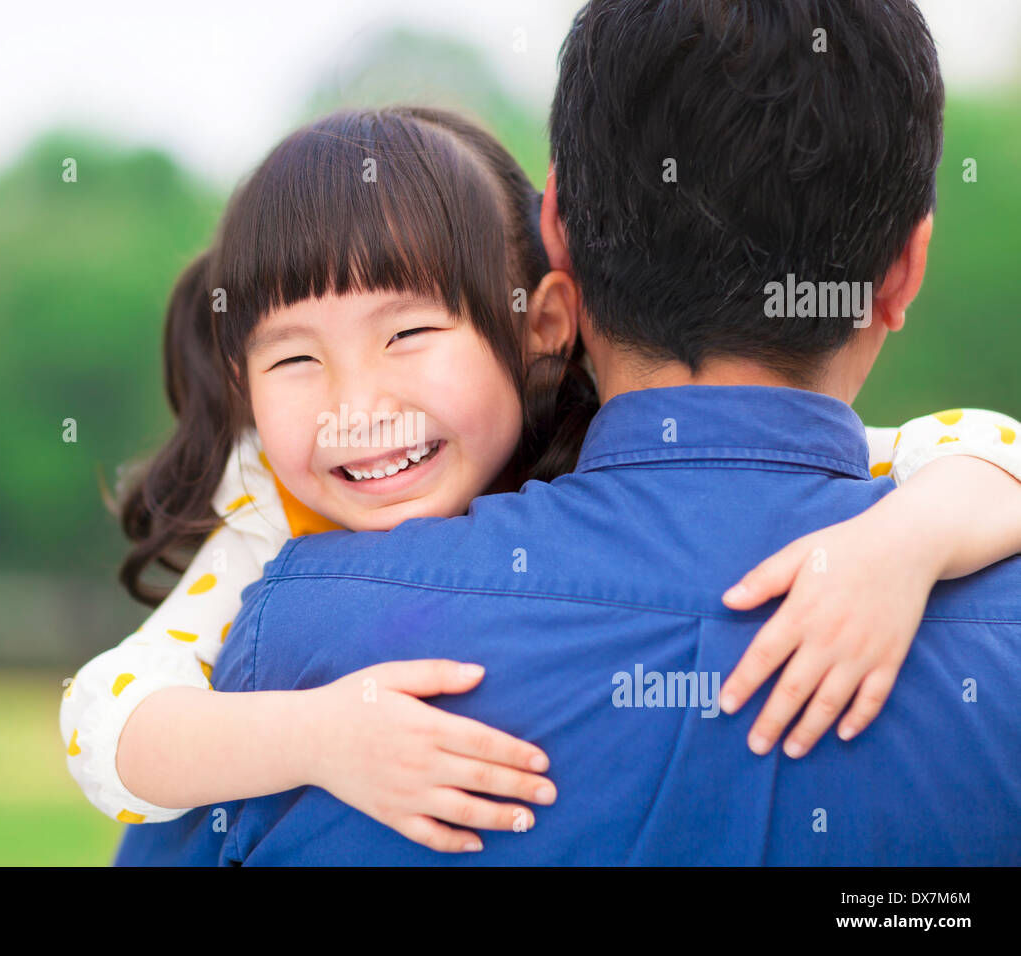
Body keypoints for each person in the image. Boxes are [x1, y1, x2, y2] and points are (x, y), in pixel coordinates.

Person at [107, 0, 1021, 864]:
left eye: (410, 333)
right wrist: (915, 535)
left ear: (560, 246)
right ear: (906, 267)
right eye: (295, 360)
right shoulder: (964, 570)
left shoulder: (290, 639)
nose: (359, 407)